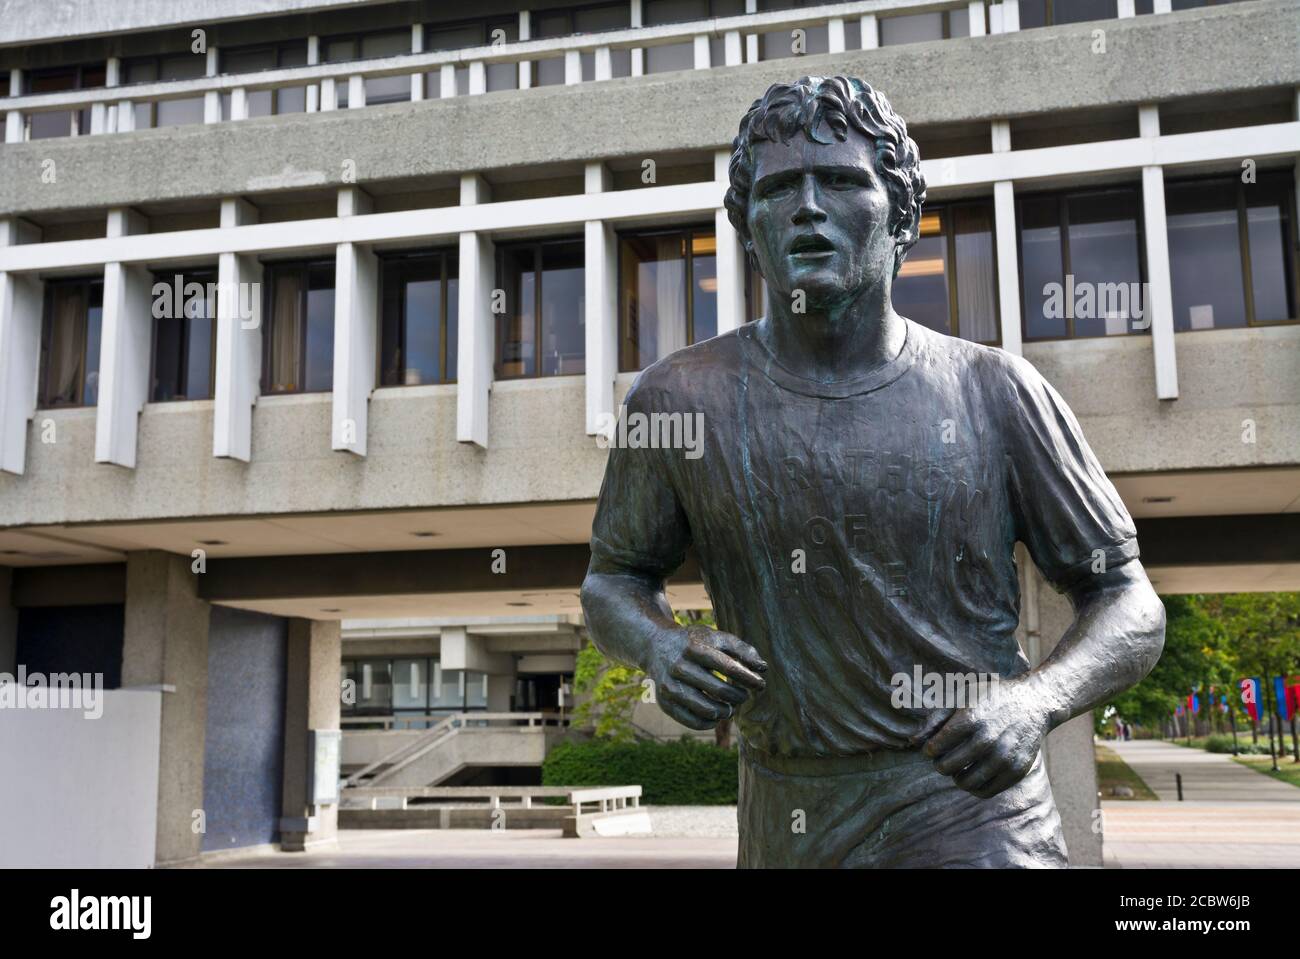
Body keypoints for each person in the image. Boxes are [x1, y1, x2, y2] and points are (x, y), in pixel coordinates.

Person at [580, 76, 1166, 868]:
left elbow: (1128, 600)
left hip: (972, 807)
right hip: (786, 814)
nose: (808, 207)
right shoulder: (678, 401)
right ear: (747, 227)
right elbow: (613, 579)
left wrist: (1036, 700)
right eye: (781, 188)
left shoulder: (995, 393)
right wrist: (659, 648)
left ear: (900, 215)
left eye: (843, 182)